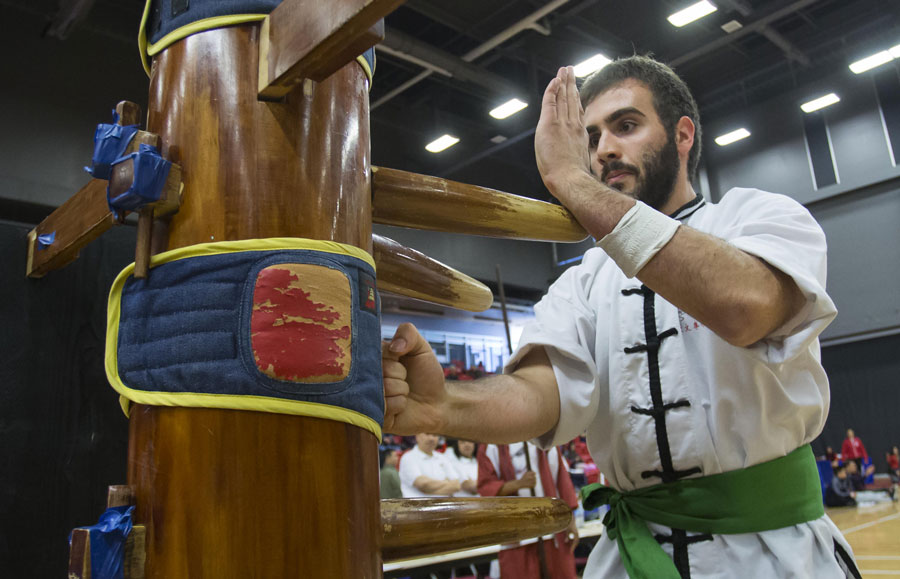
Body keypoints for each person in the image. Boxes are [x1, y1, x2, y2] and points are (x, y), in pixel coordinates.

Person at [382, 55, 858, 577]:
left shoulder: (758, 216)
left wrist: (570, 180)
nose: (604, 149)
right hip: (630, 557)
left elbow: (744, 308)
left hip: (774, 554)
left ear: (683, 135)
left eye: (626, 126)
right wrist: (443, 402)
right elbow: (542, 393)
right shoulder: (583, 279)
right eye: (589, 139)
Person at [478, 442, 579, 579]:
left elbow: (560, 478)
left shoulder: (546, 438)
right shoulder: (492, 444)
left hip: (552, 529)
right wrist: (517, 484)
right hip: (516, 535)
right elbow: (486, 487)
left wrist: (570, 518)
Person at [398, 433, 460, 498]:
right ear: (417, 436)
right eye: (427, 434)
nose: (431, 438)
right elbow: (423, 484)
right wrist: (447, 482)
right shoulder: (408, 458)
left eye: (435, 435)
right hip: (418, 506)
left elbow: (456, 486)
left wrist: (428, 490)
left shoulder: (443, 458)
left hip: (444, 506)